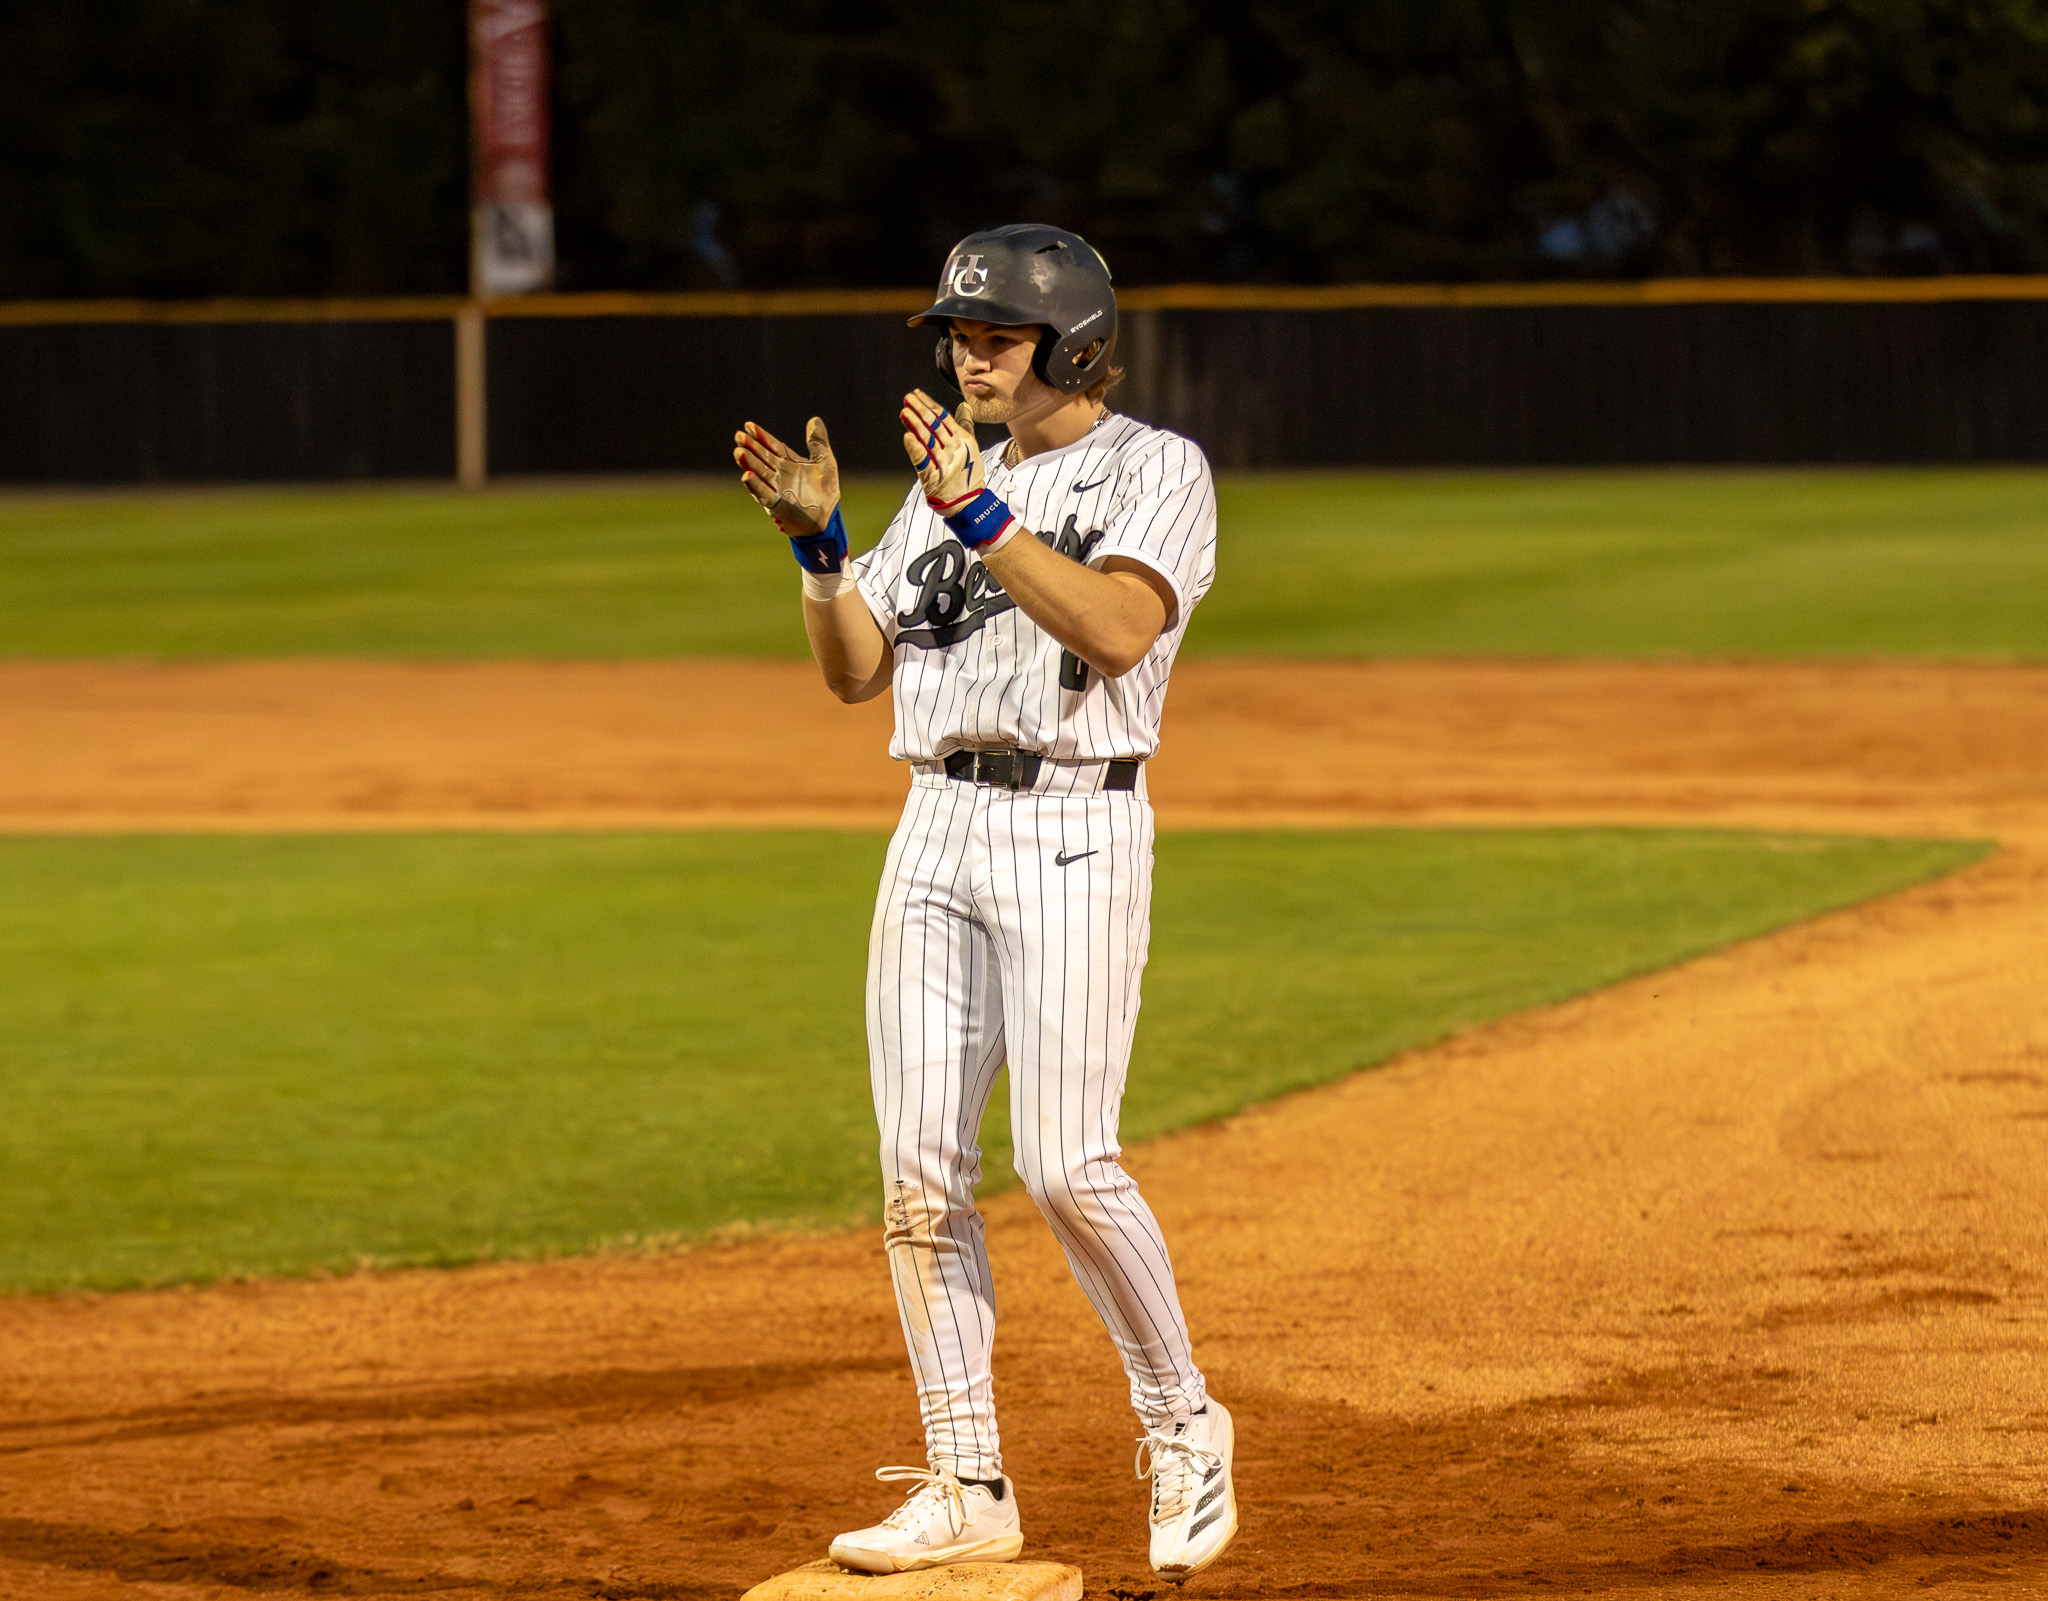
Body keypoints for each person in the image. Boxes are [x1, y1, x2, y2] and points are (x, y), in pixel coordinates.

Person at [732, 224, 1235, 1582]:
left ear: (1070, 345)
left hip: (1075, 824)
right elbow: (854, 671)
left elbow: (1120, 628)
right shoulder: (956, 479)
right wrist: (821, 549)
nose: (966, 356)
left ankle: (1184, 1423)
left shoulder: (1152, 469)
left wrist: (977, 513)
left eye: (994, 336)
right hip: (934, 829)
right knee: (916, 1179)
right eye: (956, 335)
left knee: (1066, 1163)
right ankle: (965, 1479)